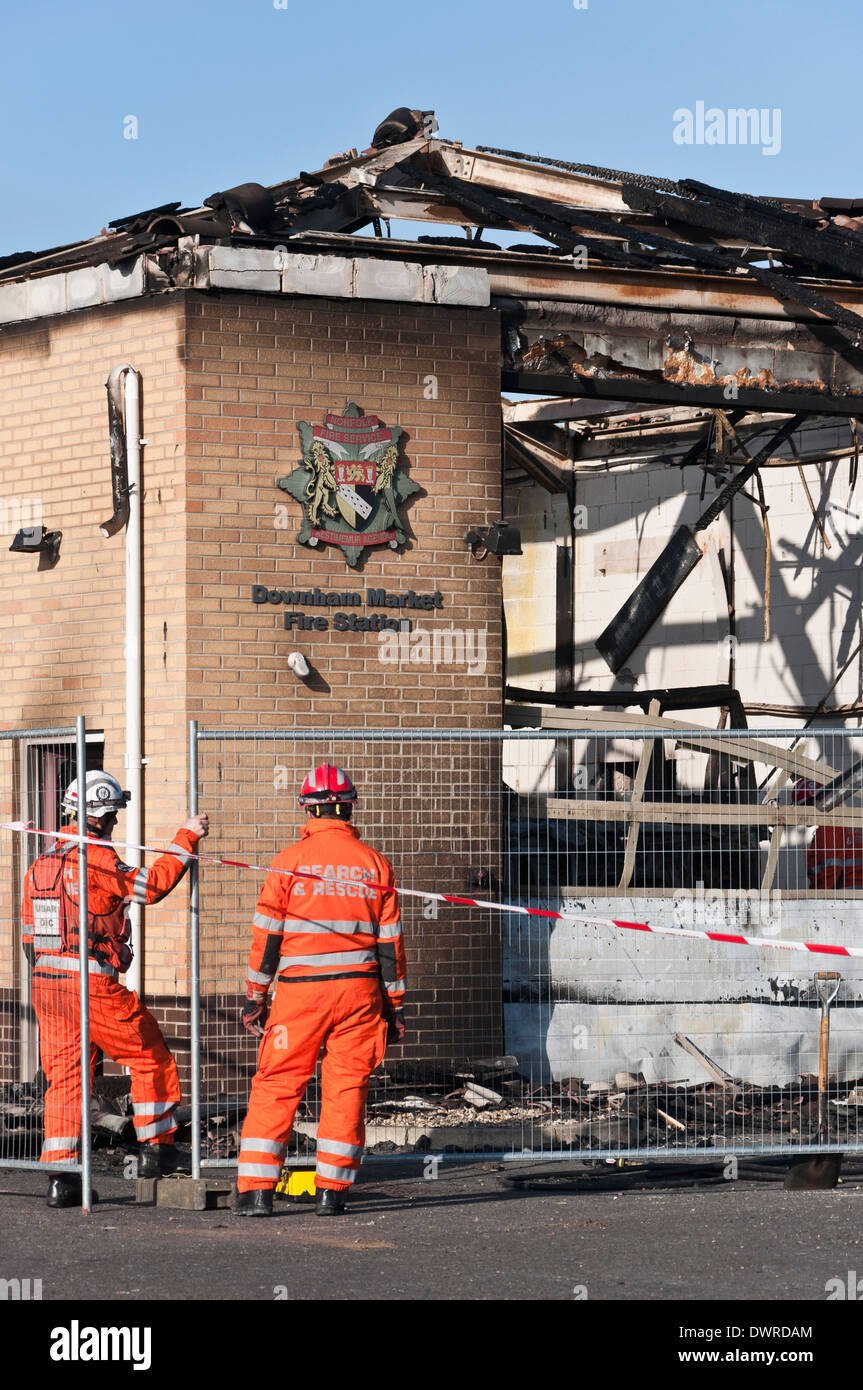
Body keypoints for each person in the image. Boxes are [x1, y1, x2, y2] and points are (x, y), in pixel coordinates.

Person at [21, 770, 209, 1207]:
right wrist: (186, 837)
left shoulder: (43, 861)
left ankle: (62, 1179)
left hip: (47, 985)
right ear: (101, 817)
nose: (116, 824)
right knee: (149, 1054)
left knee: (66, 1081)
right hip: (89, 983)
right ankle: (156, 1151)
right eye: (114, 816)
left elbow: (29, 937)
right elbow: (150, 886)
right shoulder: (97, 857)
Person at [233, 763, 406, 1218]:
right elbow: (391, 946)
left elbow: (267, 939)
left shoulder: (288, 862)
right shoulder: (374, 863)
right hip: (360, 996)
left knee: (277, 1085)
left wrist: (256, 996)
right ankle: (333, 1192)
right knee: (346, 1087)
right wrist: (396, 1005)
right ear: (348, 807)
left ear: (307, 810)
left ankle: (256, 1193)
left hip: (299, 996)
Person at [793, 778, 863, 890]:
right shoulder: (849, 823)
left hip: (843, 899)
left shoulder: (829, 827)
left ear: (813, 803)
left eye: (801, 808)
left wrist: (818, 900)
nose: (800, 816)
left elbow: (832, 869)